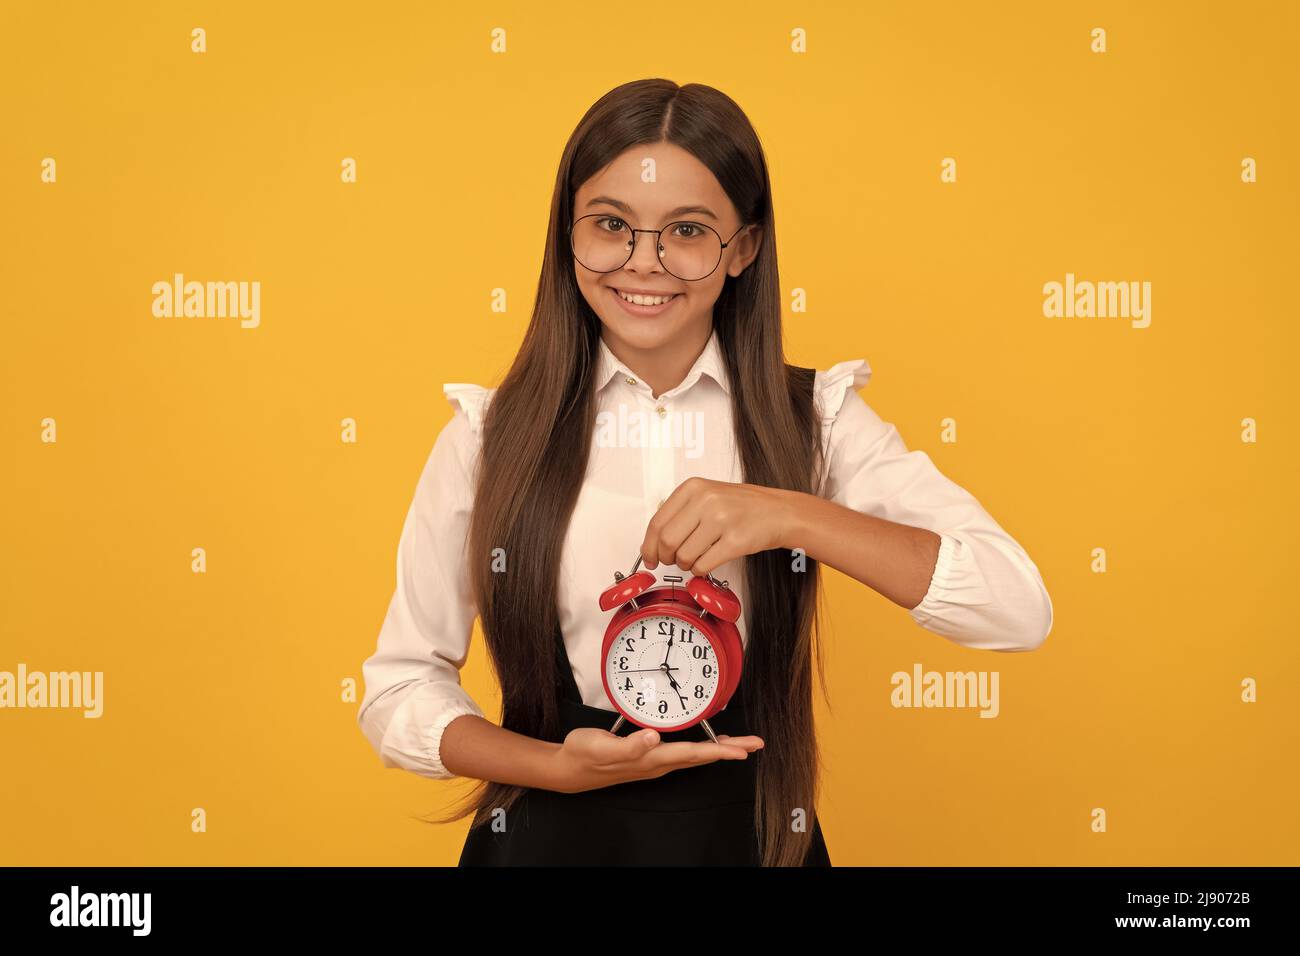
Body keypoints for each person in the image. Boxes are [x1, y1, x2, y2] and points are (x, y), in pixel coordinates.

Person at [357, 78, 1053, 867]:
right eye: (610, 225)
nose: (642, 263)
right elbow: (398, 690)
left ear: (744, 249)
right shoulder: (488, 438)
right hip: (542, 840)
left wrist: (792, 515)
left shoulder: (814, 419)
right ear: (567, 234)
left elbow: (1016, 607)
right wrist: (553, 765)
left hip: (751, 842)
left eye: (687, 230)